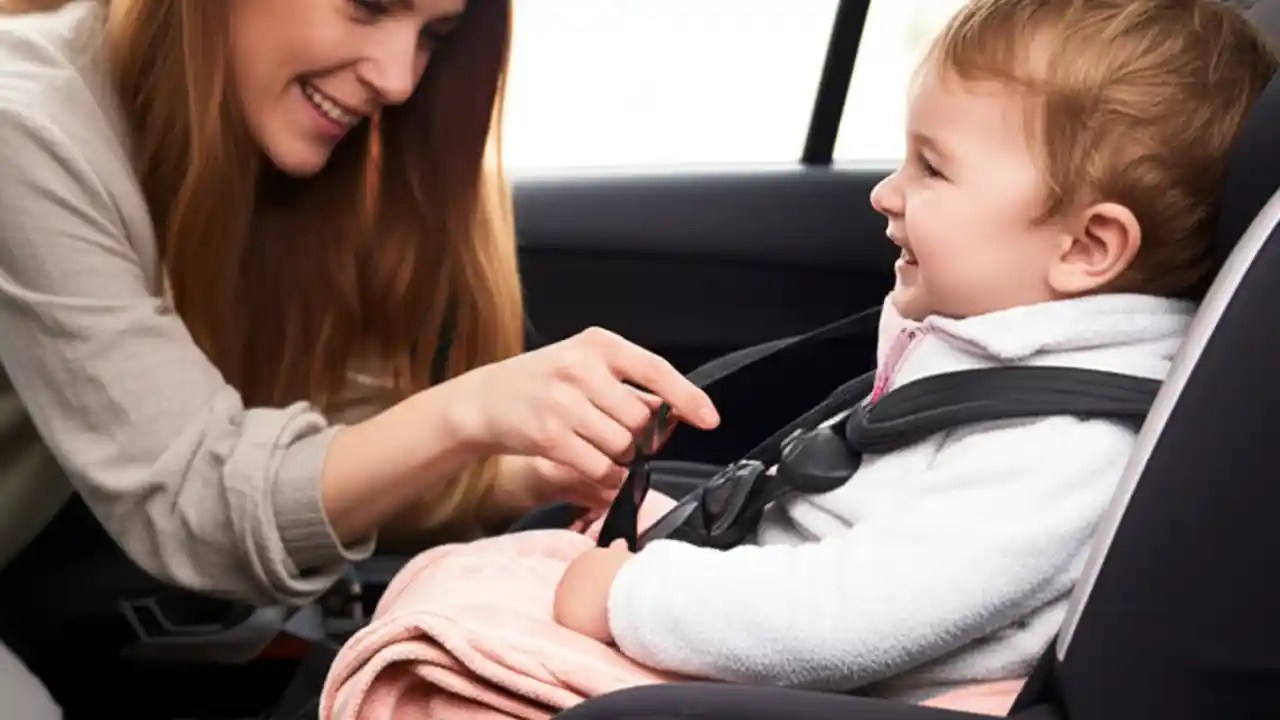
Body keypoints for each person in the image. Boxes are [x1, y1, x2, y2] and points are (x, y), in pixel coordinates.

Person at [554, 0, 1279, 704]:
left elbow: (849, 615)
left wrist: (635, 597)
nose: (884, 193)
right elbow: (854, 520)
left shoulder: (1061, 447)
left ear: (1087, 247)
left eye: (931, 168)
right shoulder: (990, 353)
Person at [0, 0, 718, 613]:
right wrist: (472, 410)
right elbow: (198, 502)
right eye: (370, 4)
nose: (400, 79)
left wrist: (507, 477)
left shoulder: (230, 132)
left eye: (433, 35)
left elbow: (297, 439)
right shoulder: (25, 129)